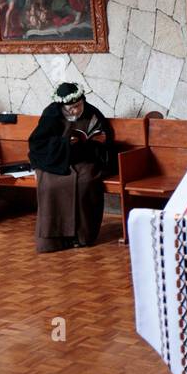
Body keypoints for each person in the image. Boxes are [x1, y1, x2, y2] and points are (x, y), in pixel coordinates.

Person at [28, 83, 114, 252]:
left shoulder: (93, 113)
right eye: (71, 108)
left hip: (85, 159)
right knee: (51, 185)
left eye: (78, 106)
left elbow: (107, 139)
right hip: (56, 161)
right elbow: (38, 143)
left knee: (86, 183)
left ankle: (81, 236)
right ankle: (55, 240)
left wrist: (100, 142)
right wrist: (65, 143)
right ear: (62, 106)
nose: (75, 110)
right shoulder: (51, 114)